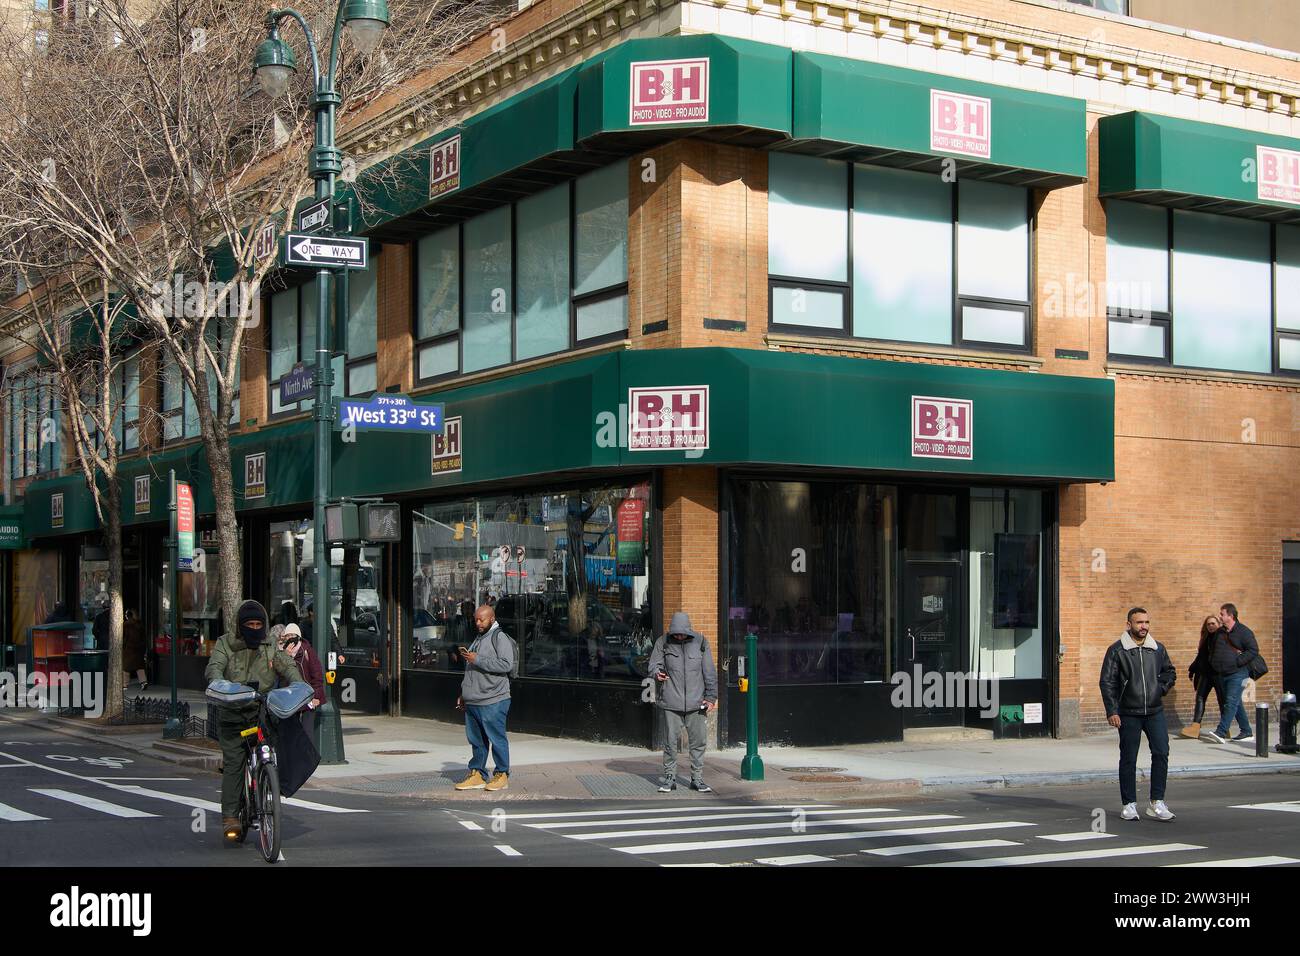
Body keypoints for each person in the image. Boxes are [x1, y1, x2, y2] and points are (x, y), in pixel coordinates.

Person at [205, 599, 302, 843]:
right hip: (233, 714)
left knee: (275, 748)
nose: (255, 627)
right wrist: (220, 684)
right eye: (250, 623)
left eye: (259, 623)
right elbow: (214, 668)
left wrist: (298, 681)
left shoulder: (269, 645)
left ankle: (268, 780)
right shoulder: (224, 644)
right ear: (240, 625)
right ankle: (230, 816)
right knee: (235, 763)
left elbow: (286, 663)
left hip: (261, 712)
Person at [1099, 607, 1177, 822]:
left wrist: (1159, 689)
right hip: (1128, 713)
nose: (1144, 626)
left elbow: (1170, 672)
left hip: (1155, 711)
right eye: (1139, 622)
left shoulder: (1157, 649)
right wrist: (1112, 710)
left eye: (1146, 622)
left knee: (1161, 753)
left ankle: (1157, 802)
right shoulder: (1117, 650)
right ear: (1129, 625)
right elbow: (1107, 682)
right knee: (1128, 759)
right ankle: (1129, 804)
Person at [648, 612, 719, 794]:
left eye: (682, 633)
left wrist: (711, 698)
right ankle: (670, 778)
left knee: (698, 743)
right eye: (676, 633)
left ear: (689, 630)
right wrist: (657, 673)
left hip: (697, 703)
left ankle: (697, 778)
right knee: (670, 743)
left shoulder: (701, 642)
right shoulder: (662, 642)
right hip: (671, 702)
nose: (679, 636)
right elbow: (653, 665)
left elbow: (709, 672)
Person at [453, 605, 515, 793]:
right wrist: (464, 694)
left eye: (482, 620)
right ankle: (477, 774)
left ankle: (502, 774)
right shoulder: (479, 638)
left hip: (494, 699)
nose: (478, 623)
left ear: (492, 618)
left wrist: (477, 659)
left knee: (497, 739)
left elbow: (506, 664)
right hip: (474, 699)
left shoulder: (499, 637)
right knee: (477, 740)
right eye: (476, 620)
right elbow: (471, 670)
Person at [1204, 603, 1261, 744]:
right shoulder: (1220, 632)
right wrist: (1214, 663)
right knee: (1236, 703)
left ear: (1230, 615)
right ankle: (1246, 731)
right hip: (1222, 674)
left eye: (1222, 614)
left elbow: (1253, 650)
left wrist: (1238, 661)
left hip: (1238, 673)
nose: (1220, 616)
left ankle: (1221, 732)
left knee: (1230, 702)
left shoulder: (1243, 631)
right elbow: (1214, 649)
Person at [1180, 614, 1225, 739]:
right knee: (1200, 698)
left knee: (1222, 700)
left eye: (1213, 623)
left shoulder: (1222, 637)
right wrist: (1192, 669)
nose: (1211, 626)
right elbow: (1201, 657)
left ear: (1218, 624)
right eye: (1208, 624)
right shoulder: (1205, 638)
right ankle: (1195, 727)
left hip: (1218, 674)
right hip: (1206, 674)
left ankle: (1224, 728)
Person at [278, 623, 324, 740]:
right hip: (289, 701)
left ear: (299, 637)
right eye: (288, 636)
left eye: (293, 635)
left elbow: (317, 675)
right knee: (290, 734)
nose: (290, 639)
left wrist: (316, 696)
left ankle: (308, 757)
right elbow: (278, 676)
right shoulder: (280, 653)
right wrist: (286, 656)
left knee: (306, 733)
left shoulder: (307, 651)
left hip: (307, 699)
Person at [122, 609, 148, 693]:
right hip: (139, 649)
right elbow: (144, 637)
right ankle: (144, 682)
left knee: (126, 667)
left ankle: (124, 685)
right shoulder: (139, 624)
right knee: (139, 666)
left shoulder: (126, 625)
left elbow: (124, 637)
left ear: (127, 616)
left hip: (129, 648)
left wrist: (124, 646)